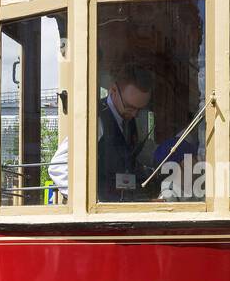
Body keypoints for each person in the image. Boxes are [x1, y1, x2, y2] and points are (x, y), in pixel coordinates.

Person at [49, 65, 155, 201]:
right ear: (113, 90)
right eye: (130, 107)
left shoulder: (129, 121)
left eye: (140, 110)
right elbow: (59, 166)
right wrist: (87, 204)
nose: (135, 114)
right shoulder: (95, 119)